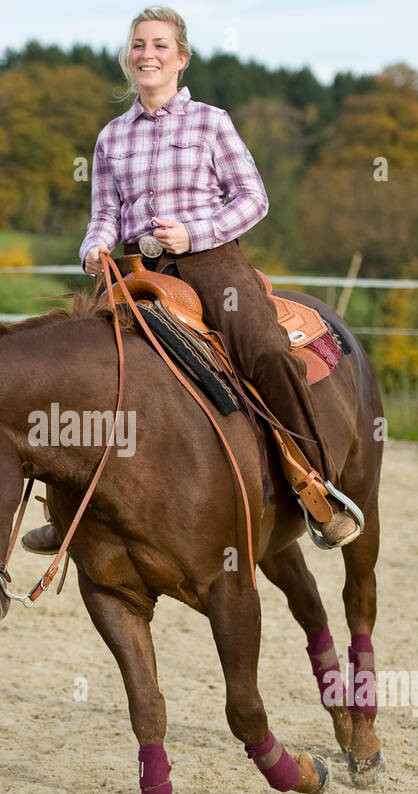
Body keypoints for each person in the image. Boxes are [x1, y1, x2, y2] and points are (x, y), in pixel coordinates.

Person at [21, 5, 358, 554]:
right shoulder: (111, 137)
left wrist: (194, 235)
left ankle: (315, 485)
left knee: (267, 352)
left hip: (211, 263)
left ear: (181, 58)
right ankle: (70, 510)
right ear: (128, 59)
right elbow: (104, 212)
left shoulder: (210, 121)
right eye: (138, 45)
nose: (147, 55)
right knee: (76, 368)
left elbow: (254, 198)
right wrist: (94, 245)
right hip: (133, 268)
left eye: (159, 46)